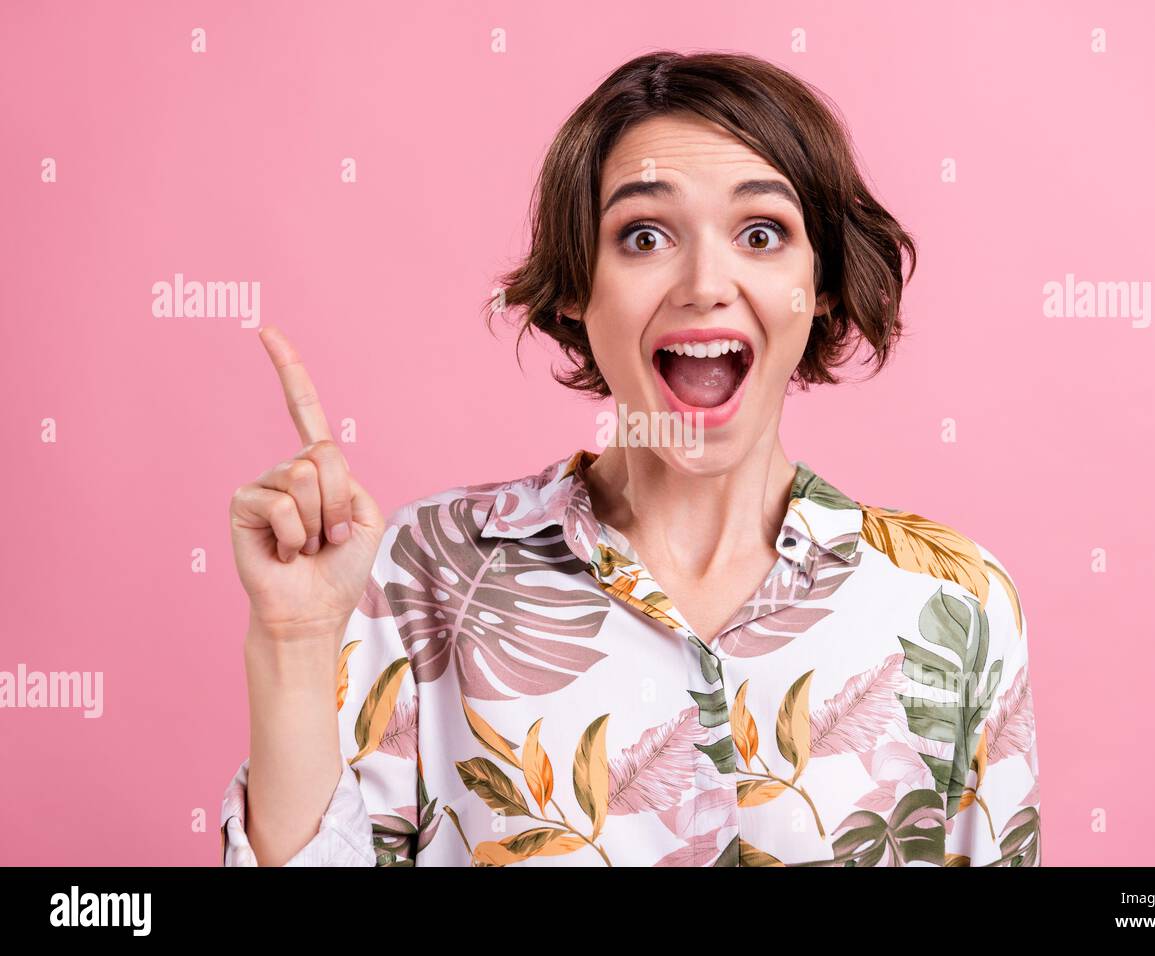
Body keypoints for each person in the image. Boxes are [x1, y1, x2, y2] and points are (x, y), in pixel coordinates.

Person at [221, 50, 1041, 867]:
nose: (704, 283)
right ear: (577, 284)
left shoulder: (954, 601)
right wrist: (293, 644)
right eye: (644, 236)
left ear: (819, 282)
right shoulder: (420, 574)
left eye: (762, 233)